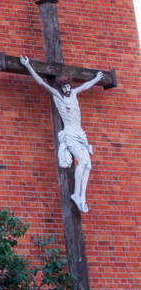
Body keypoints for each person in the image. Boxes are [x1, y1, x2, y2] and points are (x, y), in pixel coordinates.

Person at [20, 56, 103, 213]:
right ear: (61, 87)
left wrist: (97, 79)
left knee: (88, 165)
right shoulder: (57, 95)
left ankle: (81, 197)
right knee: (83, 161)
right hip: (70, 134)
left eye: (68, 86)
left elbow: (85, 86)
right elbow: (41, 83)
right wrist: (28, 66)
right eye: (64, 87)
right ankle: (76, 195)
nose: (67, 89)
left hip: (80, 134)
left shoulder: (74, 93)